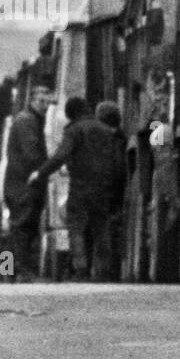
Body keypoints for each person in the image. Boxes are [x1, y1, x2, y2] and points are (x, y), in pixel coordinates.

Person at [29, 97, 123, 281]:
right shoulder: (107, 131)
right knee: (101, 229)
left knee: (76, 229)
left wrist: (40, 173)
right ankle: (103, 271)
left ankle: (81, 270)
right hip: (103, 188)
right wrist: (113, 186)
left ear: (70, 113)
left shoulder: (74, 130)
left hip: (80, 187)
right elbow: (117, 163)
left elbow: (60, 157)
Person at [3, 81, 53, 281]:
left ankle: (9, 272)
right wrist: (45, 169)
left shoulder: (29, 119)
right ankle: (18, 271)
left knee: (19, 229)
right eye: (41, 101)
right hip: (23, 184)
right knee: (22, 229)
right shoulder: (27, 121)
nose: (45, 105)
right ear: (32, 100)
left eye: (47, 102)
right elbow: (31, 153)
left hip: (19, 183)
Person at [95, 101, 127, 281]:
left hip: (103, 192)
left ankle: (102, 272)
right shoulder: (122, 139)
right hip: (117, 191)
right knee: (113, 231)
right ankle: (111, 270)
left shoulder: (98, 138)